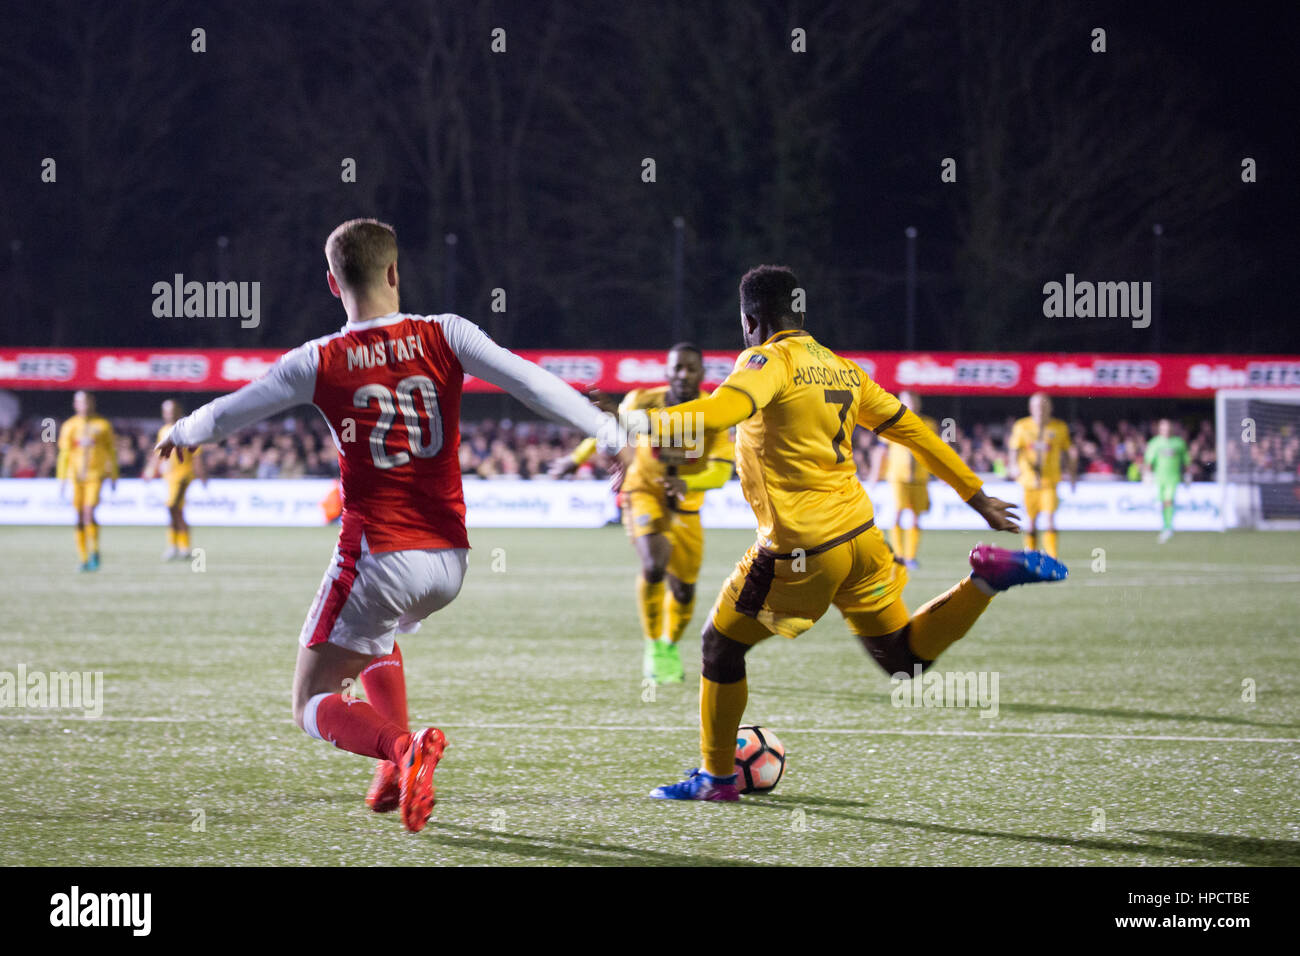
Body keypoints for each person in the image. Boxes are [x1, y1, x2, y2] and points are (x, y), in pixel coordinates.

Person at [157, 218, 625, 832]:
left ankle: (401, 750)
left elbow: (234, 409)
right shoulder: (447, 333)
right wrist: (613, 434)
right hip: (450, 561)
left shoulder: (317, 360)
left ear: (332, 284)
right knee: (376, 636)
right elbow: (530, 383)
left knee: (306, 703)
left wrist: (183, 431)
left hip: (380, 556)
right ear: (395, 273)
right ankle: (392, 766)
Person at [629, 265, 1066, 802]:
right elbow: (913, 430)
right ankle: (985, 581)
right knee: (903, 658)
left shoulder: (766, 361)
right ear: (801, 313)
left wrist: (644, 424)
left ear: (750, 320)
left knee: (720, 647)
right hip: (862, 538)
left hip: (801, 549)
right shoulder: (842, 370)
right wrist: (975, 495)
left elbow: (723, 409)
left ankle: (718, 780)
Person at [552, 344, 734, 683]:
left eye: (690, 368)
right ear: (666, 371)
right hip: (643, 492)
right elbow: (610, 429)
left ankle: (668, 645)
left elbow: (722, 472)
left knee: (684, 591)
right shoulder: (642, 399)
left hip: (687, 505)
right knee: (654, 565)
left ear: (701, 374)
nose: (683, 374)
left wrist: (688, 482)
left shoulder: (714, 413)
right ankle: (653, 644)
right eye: (677, 367)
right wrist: (575, 459)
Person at [868, 389, 937, 568]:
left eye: (913, 401)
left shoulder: (929, 423)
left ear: (918, 402)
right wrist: (876, 475)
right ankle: (898, 554)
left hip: (920, 477)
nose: (910, 404)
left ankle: (910, 556)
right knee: (897, 513)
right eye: (906, 401)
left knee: (916, 517)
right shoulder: (891, 422)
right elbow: (882, 451)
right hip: (898, 475)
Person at [1008, 392, 1077, 558]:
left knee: (1050, 519)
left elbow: (1067, 452)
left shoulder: (1059, 427)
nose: (1040, 409)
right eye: (1037, 406)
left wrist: (1072, 474)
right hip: (1029, 482)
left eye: (1043, 406)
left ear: (1050, 407)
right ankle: (1031, 556)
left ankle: (1052, 557)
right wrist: (1013, 466)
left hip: (1049, 482)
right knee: (1030, 523)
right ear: (1031, 408)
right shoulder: (1022, 426)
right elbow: (1014, 449)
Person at [57, 391, 119, 572]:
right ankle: (83, 558)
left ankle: (95, 552)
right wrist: (62, 478)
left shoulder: (103, 425)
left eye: (87, 402)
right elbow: (64, 454)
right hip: (75, 477)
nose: (83, 405)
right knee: (78, 517)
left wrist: (113, 475)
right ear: (75, 405)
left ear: (93, 403)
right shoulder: (69, 426)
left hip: (95, 476)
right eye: (80, 402)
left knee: (88, 512)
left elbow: (111, 452)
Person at [142, 399, 206, 559]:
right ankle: (179, 546)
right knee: (176, 511)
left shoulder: (188, 428)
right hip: (169, 477)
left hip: (184, 474)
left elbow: (196, 454)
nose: (168, 414)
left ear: (178, 411)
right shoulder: (163, 430)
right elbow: (159, 453)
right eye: (166, 411)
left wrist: (201, 474)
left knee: (172, 506)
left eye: (172, 410)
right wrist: (151, 469)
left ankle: (178, 547)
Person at [1144, 418, 1190, 543]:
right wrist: (1148, 474)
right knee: (1162, 503)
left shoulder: (1178, 443)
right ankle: (1165, 526)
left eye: (1167, 427)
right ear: (1160, 429)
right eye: (1163, 428)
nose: (1165, 430)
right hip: (1159, 478)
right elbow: (1149, 460)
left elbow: (1185, 459)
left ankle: (1168, 528)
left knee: (1169, 501)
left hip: (1173, 477)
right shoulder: (1155, 443)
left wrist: (1187, 475)